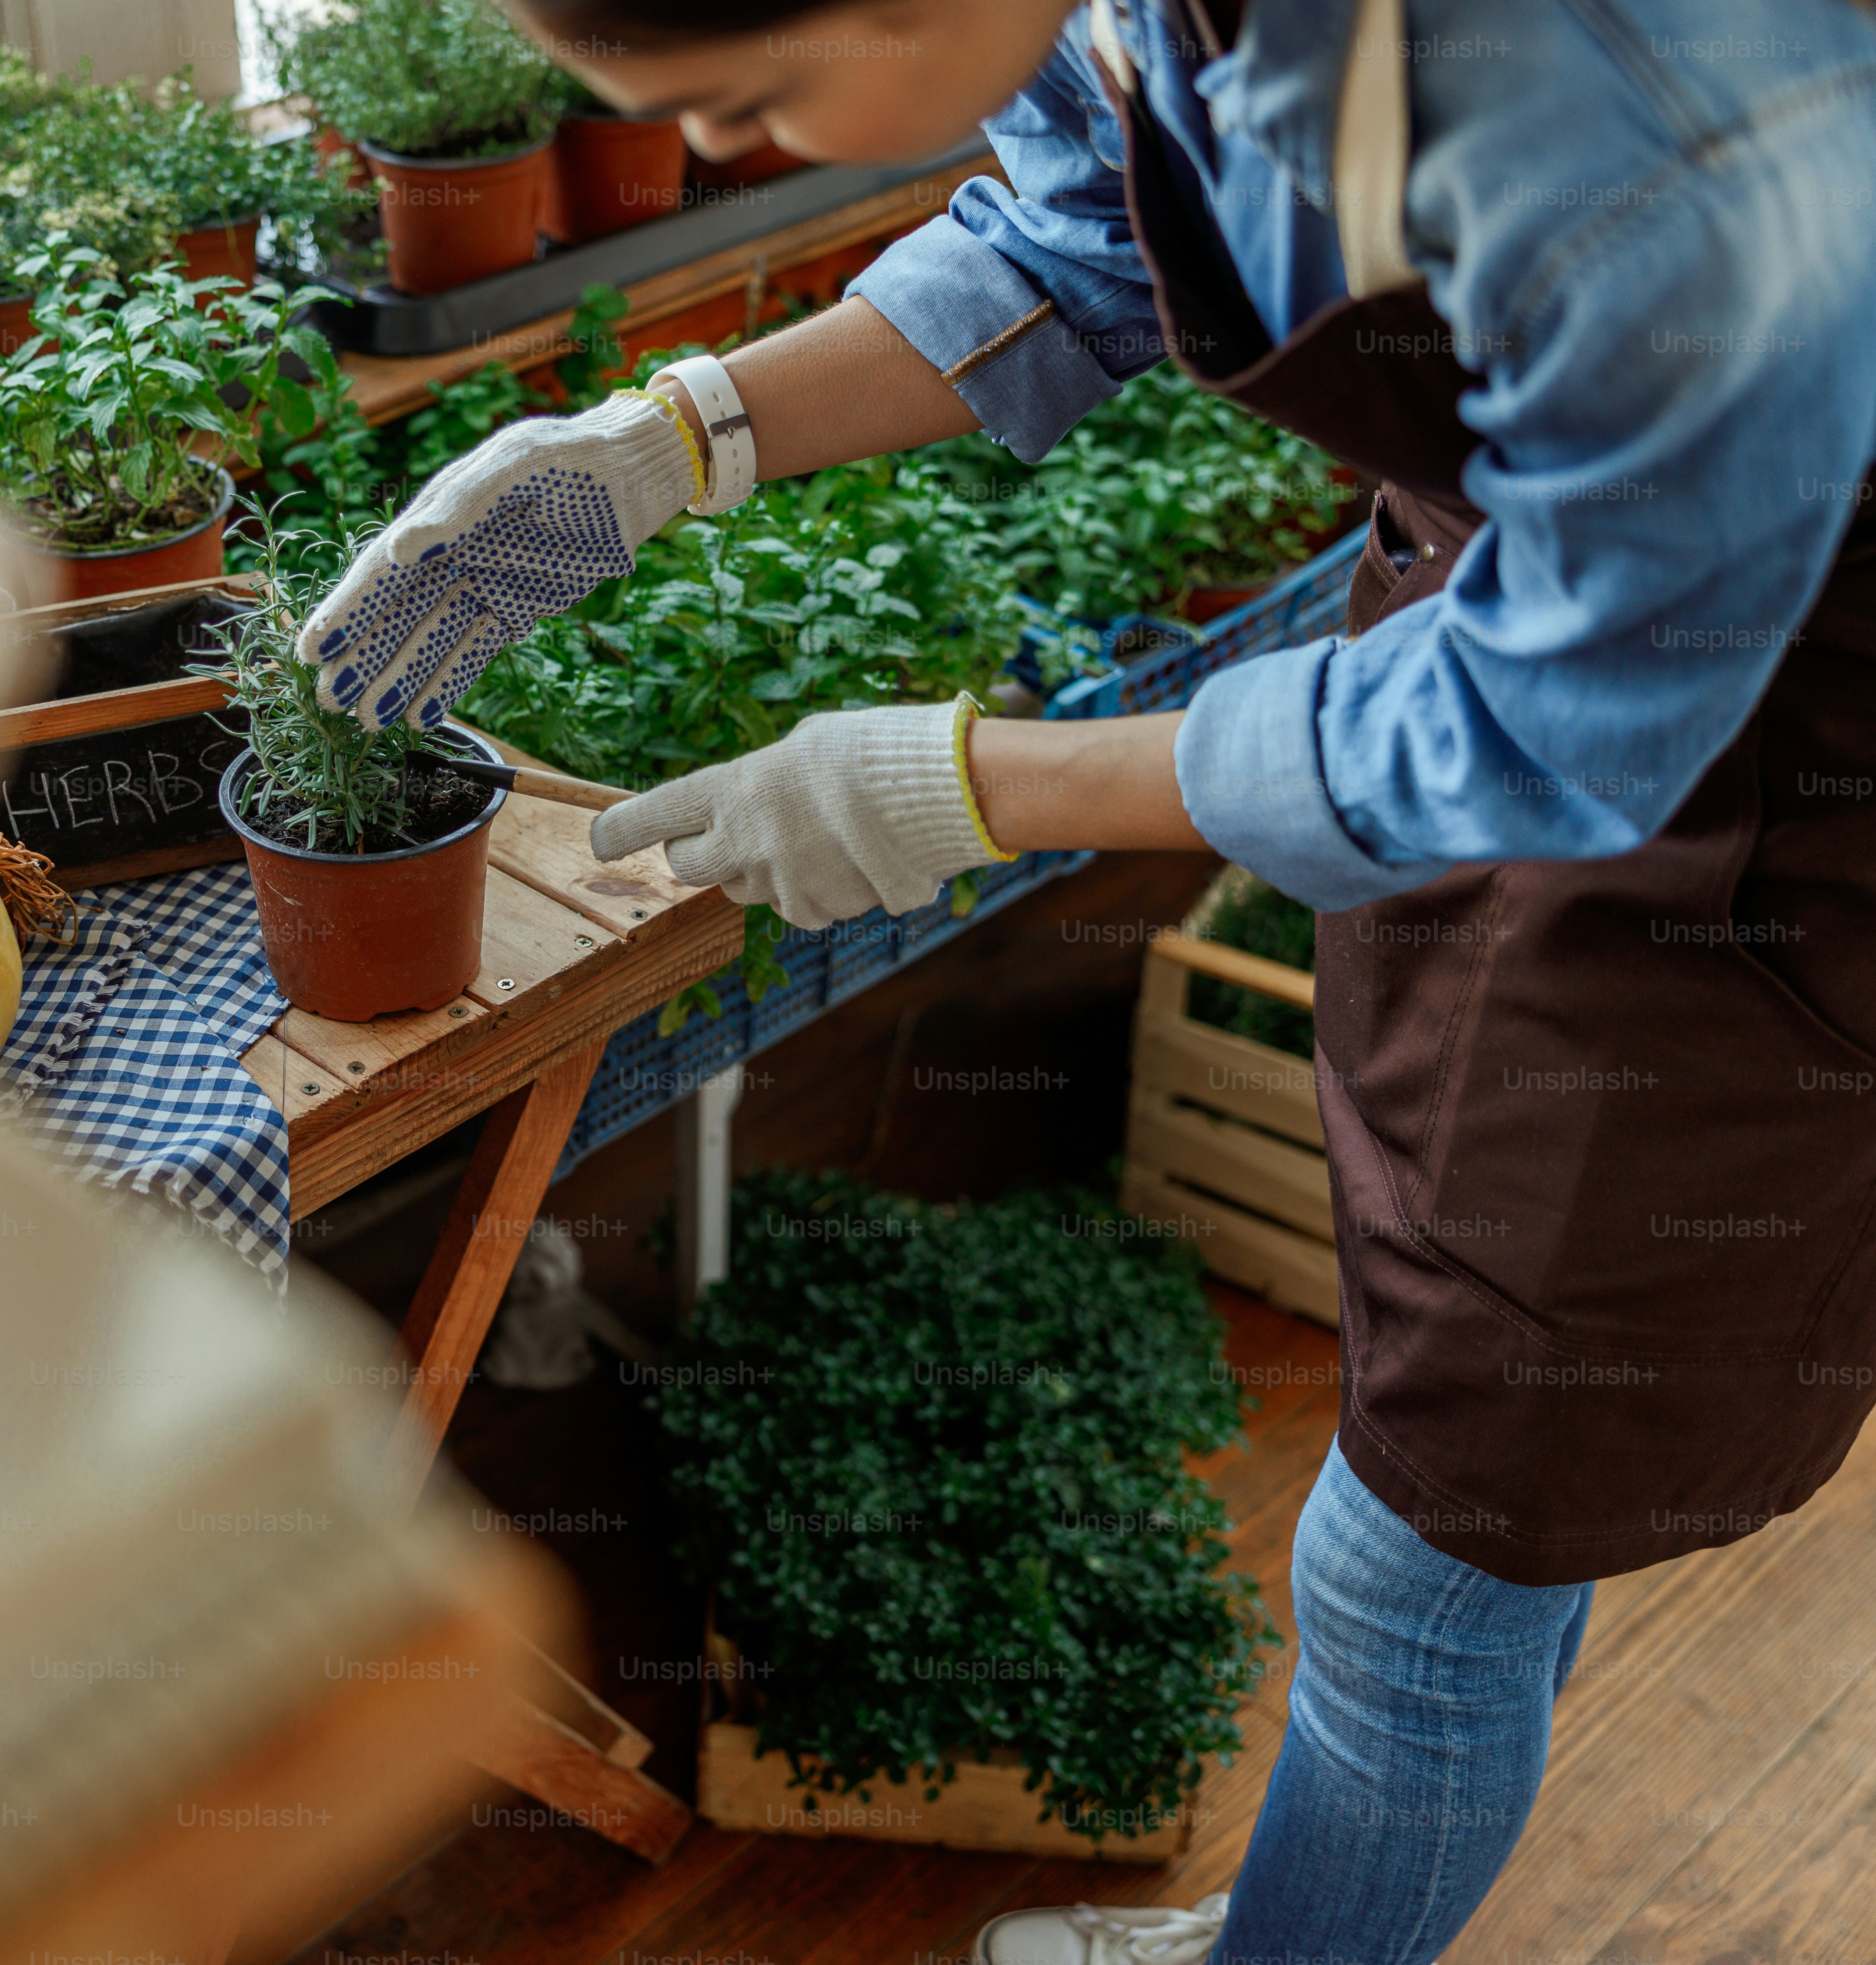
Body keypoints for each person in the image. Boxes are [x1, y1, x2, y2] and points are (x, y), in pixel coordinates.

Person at [299, 1, 1876, 1959]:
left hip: (1780, 799)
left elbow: (1552, 722)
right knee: (1485, 1488)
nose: (724, 154)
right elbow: (1088, 234)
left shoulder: (1619, 105)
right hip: (1502, 684)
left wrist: (971, 783)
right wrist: (674, 440)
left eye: (750, 99)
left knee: (1428, 1560)